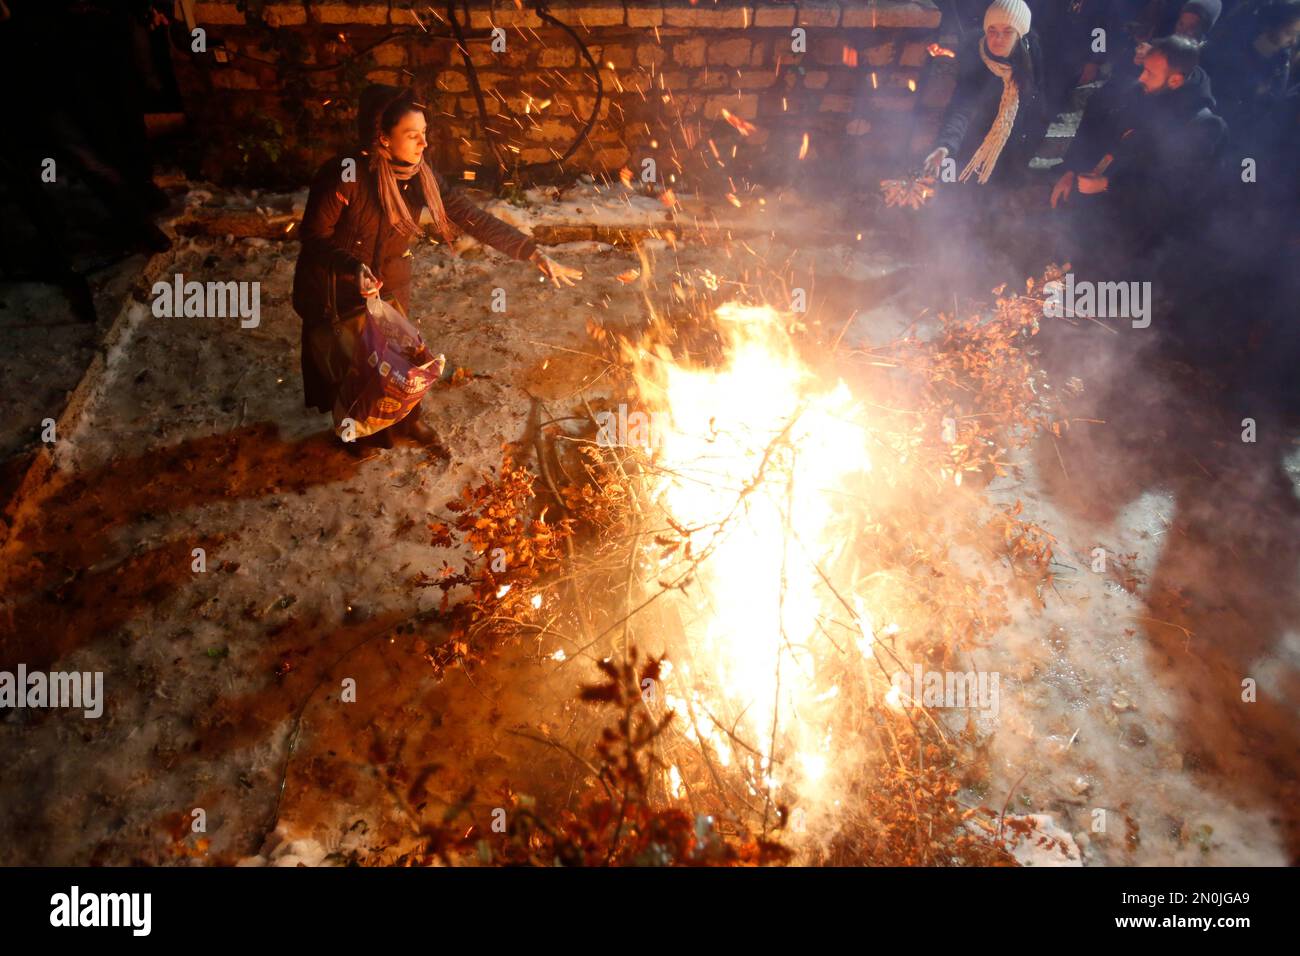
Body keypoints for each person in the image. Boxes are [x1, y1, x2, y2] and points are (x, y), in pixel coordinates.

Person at [292, 84, 582, 452]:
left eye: (424, 134)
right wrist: (353, 268)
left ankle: (408, 421)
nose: (423, 144)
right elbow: (313, 235)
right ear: (383, 138)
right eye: (412, 135)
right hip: (336, 288)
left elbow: (471, 217)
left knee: (399, 358)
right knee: (352, 366)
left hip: (390, 282)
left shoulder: (420, 177)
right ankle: (357, 432)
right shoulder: (344, 175)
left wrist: (532, 252)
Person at [1049, 35, 1226, 274]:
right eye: (1143, 68)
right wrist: (1070, 169)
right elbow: (1095, 129)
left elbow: (1170, 192)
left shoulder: (1202, 127)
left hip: (1131, 240)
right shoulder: (1140, 92)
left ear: (1175, 80)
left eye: (1150, 73)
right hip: (1090, 217)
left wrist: (1107, 185)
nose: (1141, 77)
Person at [918, 0, 1051, 289]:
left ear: (1021, 34)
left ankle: (989, 281)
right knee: (959, 207)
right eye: (992, 30)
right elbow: (961, 107)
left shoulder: (1031, 58)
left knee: (996, 216)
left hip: (1012, 152)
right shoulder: (976, 58)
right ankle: (947, 274)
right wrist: (945, 147)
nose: (997, 38)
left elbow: (1040, 110)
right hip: (974, 149)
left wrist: (1030, 157)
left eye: (1006, 31)